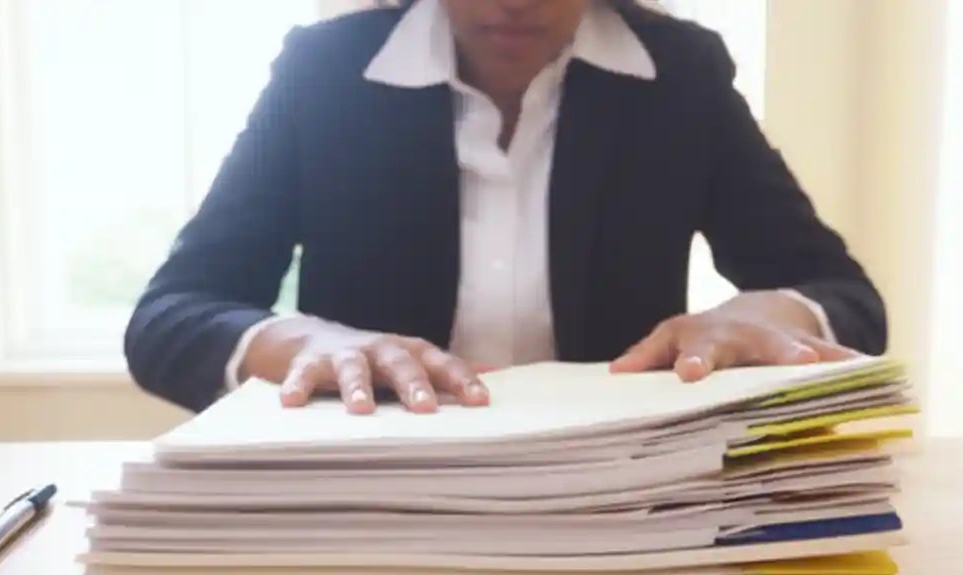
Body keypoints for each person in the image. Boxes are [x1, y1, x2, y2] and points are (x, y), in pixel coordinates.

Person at [125, 0, 886, 415]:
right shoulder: (326, 73)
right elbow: (171, 317)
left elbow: (846, 299)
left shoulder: (678, 75)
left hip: (619, 507)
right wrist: (302, 344)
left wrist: (759, 320)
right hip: (373, 501)